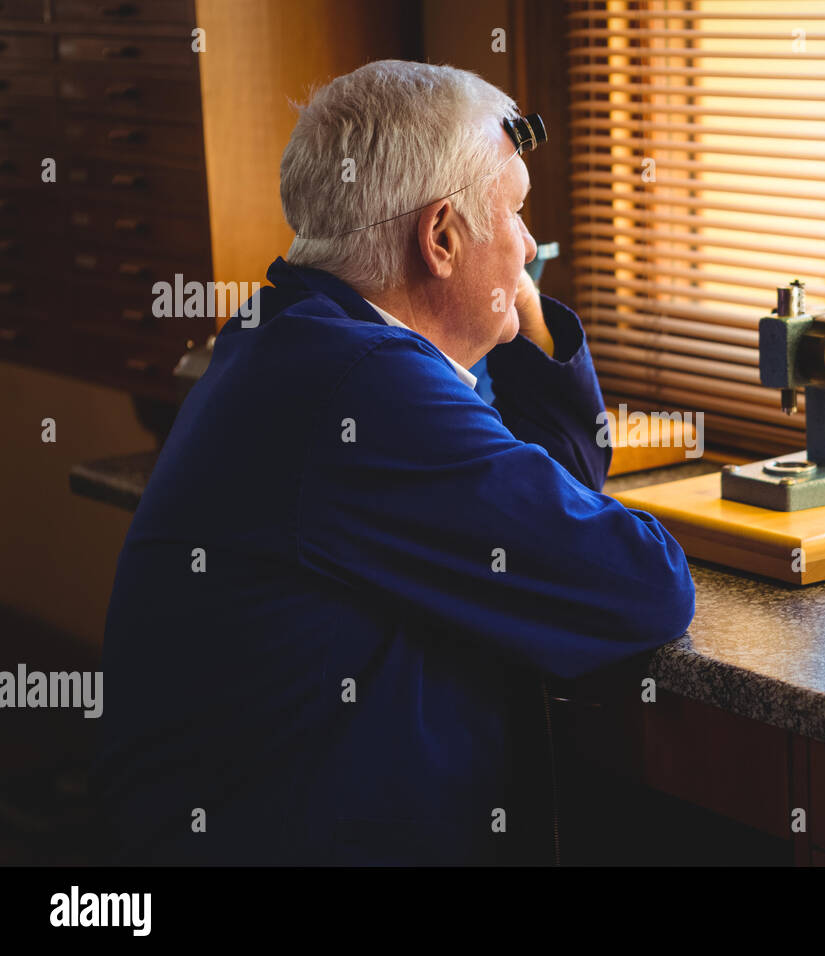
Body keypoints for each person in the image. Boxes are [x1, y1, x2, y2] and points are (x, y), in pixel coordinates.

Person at [91, 61, 696, 865]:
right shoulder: (360, 384)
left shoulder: (295, 322)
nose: (529, 243)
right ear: (441, 236)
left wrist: (517, 302)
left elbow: (549, 510)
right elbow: (638, 587)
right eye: (514, 213)